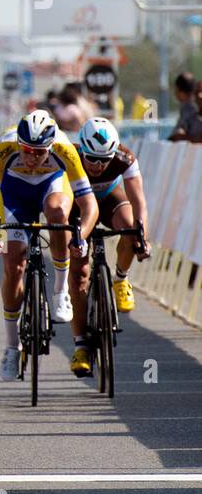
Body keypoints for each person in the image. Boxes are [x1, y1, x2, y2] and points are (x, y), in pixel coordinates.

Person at [0, 109, 97, 382]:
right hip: (15, 193)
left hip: (50, 185)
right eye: (26, 150)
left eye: (39, 152)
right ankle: (11, 347)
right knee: (13, 266)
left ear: (51, 146)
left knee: (57, 214)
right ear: (18, 143)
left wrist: (81, 237)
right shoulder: (3, 148)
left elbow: (88, 203)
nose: (31, 157)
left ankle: (60, 292)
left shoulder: (65, 149)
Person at [67, 117, 153, 377]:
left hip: (109, 200)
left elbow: (139, 203)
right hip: (78, 206)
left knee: (129, 228)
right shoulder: (69, 155)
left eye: (103, 160)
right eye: (91, 159)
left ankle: (121, 279)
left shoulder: (125, 158)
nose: (97, 165)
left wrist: (142, 238)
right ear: (81, 148)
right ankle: (81, 346)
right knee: (79, 275)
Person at [168, 73, 202, 141]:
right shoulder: (192, 109)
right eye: (197, 92)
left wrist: (183, 137)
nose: (199, 96)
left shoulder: (189, 108)